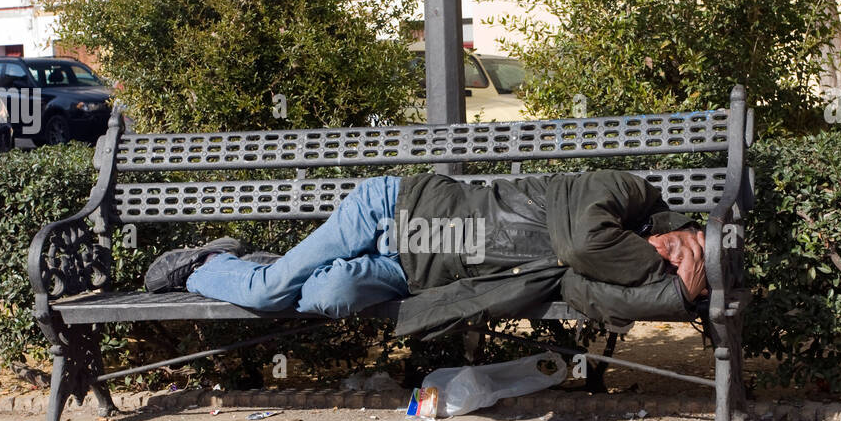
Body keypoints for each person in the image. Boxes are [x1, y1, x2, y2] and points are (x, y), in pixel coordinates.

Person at [150, 170, 709, 339]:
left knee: (327, 294)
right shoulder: (622, 194)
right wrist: (655, 265)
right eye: (681, 248)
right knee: (269, 292)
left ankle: (278, 263)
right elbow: (583, 242)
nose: (667, 254)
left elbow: (598, 297)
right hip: (392, 210)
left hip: (409, 272)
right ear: (690, 230)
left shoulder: (573, 277)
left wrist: (674, 292)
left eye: (677, 266)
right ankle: (207, 264)